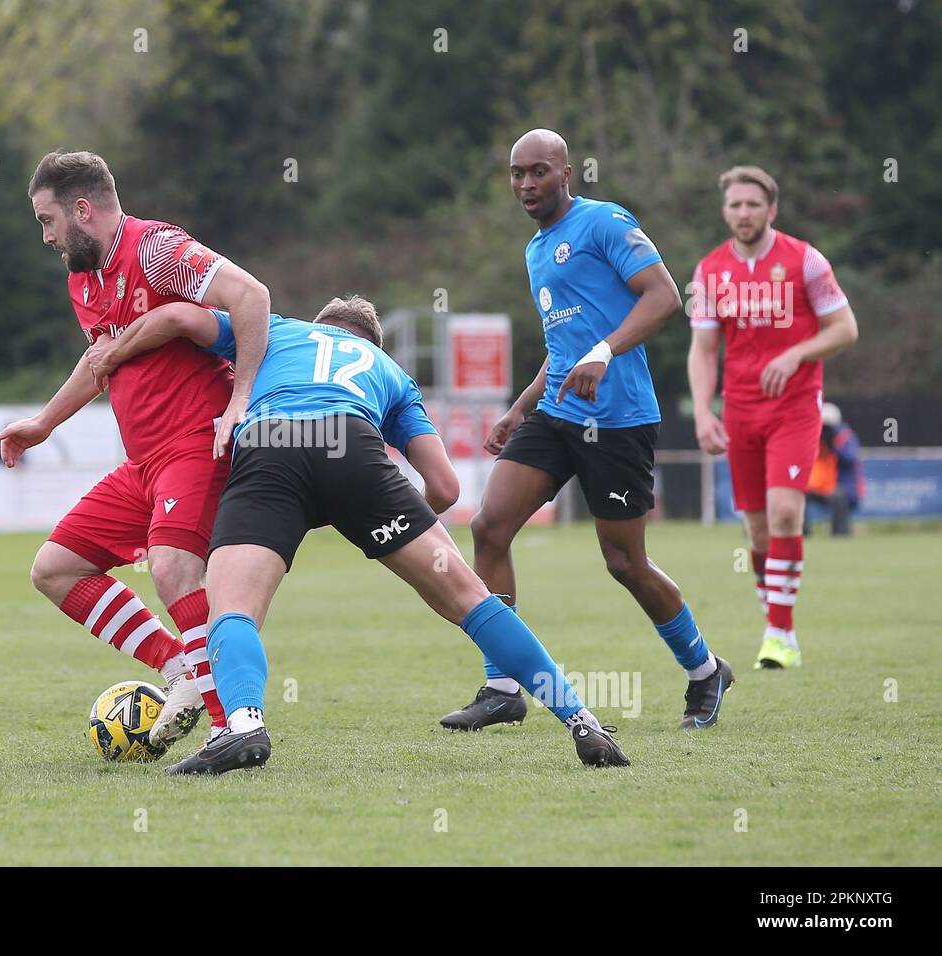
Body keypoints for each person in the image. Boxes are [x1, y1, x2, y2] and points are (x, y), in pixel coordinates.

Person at [90, 295, 631, 775]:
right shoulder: (391, 371)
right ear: (371, 343)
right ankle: (581, 720)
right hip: (353, 449)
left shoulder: (277, 328)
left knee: (232, 608)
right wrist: (380, 521)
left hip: (271, 443)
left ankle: (245, 723)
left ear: (319, 323)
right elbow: (442, 484)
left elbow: (182, 316)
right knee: (471, 599)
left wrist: (110, 353)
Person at [441, 129, 733, 733]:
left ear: (567, 173)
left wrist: (603, 350)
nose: (526, 184)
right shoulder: (534, 250)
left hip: (619, 418)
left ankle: (705, 670)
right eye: (517, 173)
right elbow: (562, 345)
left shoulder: (605, 222)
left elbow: (663, 297)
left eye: (539, 171)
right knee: (491, 527)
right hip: (556, 413)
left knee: (625, 563)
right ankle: (502, 687)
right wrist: (522, 408)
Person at [0, 150, 271, 749]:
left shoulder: (156, 251)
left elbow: (251, 297)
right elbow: (101, 361)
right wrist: (44, 423)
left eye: (48, 221)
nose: (45, 236)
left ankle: (234, 728)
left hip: (196, 443)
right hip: (142, 463)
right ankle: (182, 670)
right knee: (55, 568)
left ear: (83, 209)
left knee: (171, 566)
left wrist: (241, 397)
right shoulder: (82, 278)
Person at [688, 165, 858, 669]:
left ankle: (780, 635)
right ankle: (776, 619)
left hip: (795, 408)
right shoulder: (708, 271)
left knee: (787, 513)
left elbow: (845, 328)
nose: (744, 213)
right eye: (735, 205)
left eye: (753, 205)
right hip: (739, 410)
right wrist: (702, 410)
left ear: (771, 210)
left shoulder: (804, 261)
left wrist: (796, 354)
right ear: (725, 211)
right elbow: (702, 349)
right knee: (758, 533)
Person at [805, 403, 865, 537]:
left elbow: (850, 459)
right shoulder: (815, 438)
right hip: (817, 485)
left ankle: (840, 534)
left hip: (840, 487)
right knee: (800, 496)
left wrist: (835, 445)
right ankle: (803, 533)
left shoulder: (844, 437)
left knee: (839, 496)